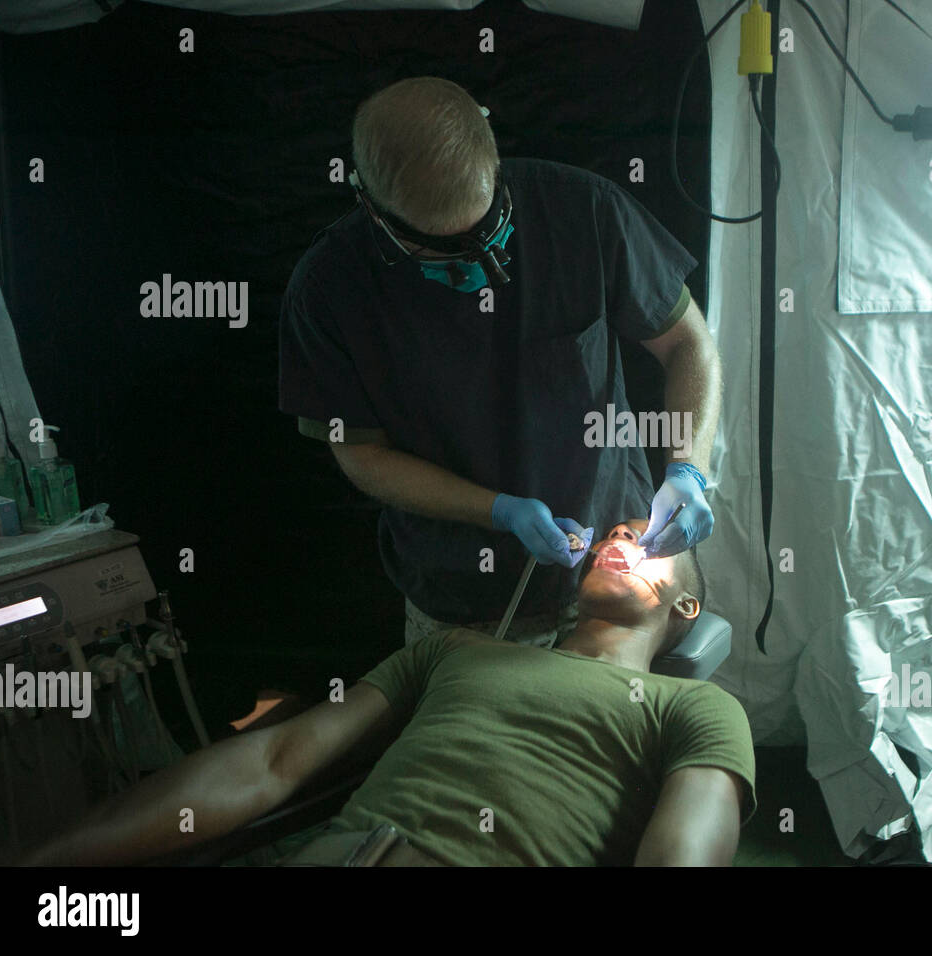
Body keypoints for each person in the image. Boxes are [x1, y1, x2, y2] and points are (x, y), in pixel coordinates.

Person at [12, 519, 755, 867]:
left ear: (684, 607)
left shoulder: (696, 709)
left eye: (651, 542)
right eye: (618, 531)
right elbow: (273, 763)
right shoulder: (456, 651)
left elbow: (679, 861)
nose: (624, 538)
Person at [278, 77, 723, 650]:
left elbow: (690, 345)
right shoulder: (328, 291)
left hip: (601, 566)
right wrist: (497, 512)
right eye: (443, 249)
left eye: (487, 233)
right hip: (462, 602)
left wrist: (689, 468)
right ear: (371, 203)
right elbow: (360, 453)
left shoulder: (584, 211)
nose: (478, 265)